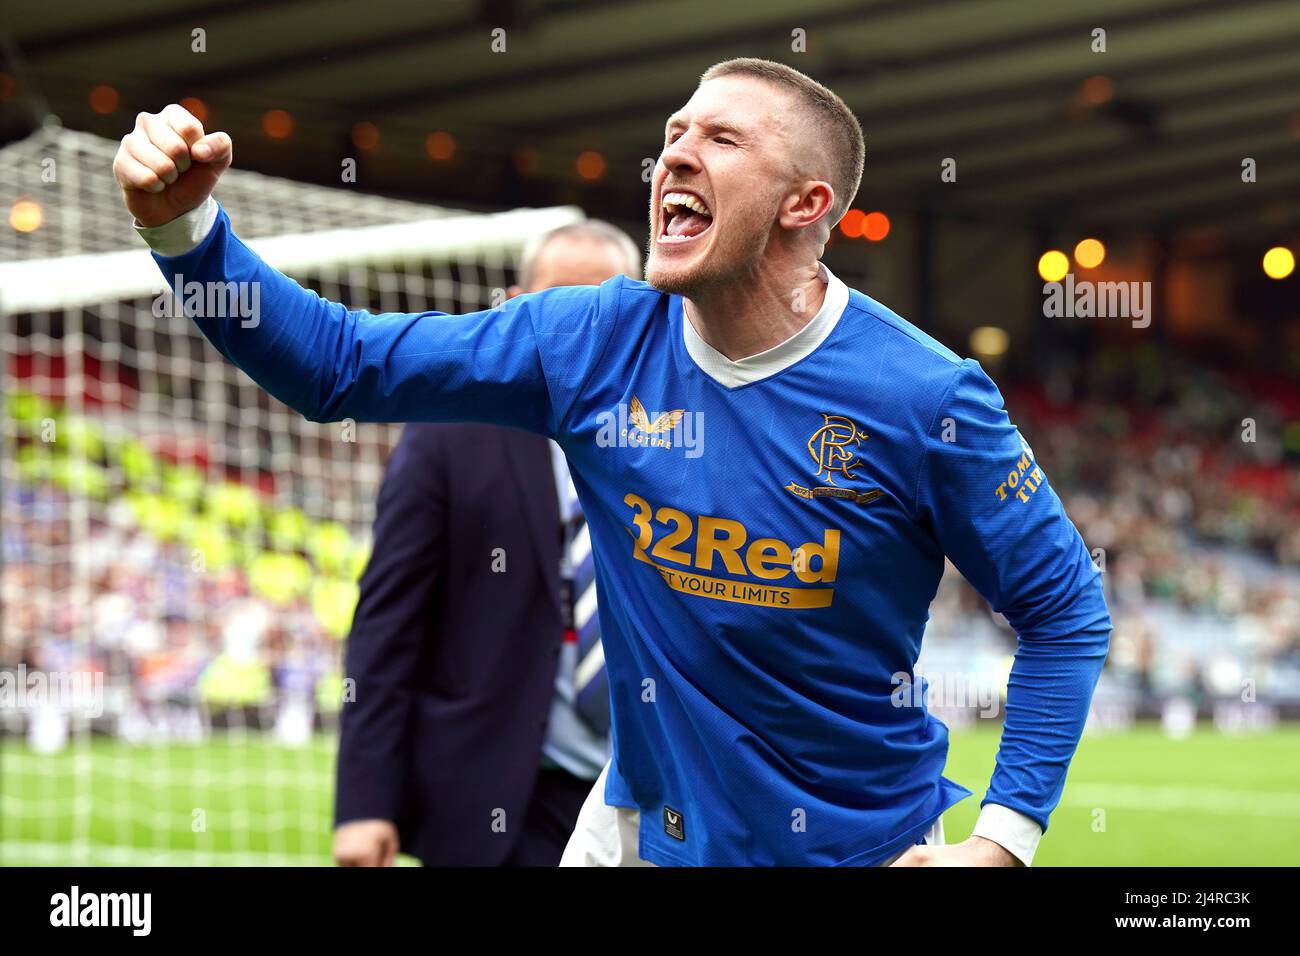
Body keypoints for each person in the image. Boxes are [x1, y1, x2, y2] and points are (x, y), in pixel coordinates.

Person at [115, 56, 1111, 867]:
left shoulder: (925, 396)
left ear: (806, 203)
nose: (675, 153)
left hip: (857, 845)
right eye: (672, 133)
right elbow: (341, 363)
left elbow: (1065, 607)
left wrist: (1001, 840)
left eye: (720, 138)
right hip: (636, 828)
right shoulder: (588, 339)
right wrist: (187, 231)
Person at [331, 221, 641, 866]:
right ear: (513, 306)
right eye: (557, 301)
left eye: (604, 303)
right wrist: (364, 802)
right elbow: (389, 622)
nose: (580, 325)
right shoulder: (450, 431)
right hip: (501, 803)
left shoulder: (684, 437)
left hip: (648, 799)